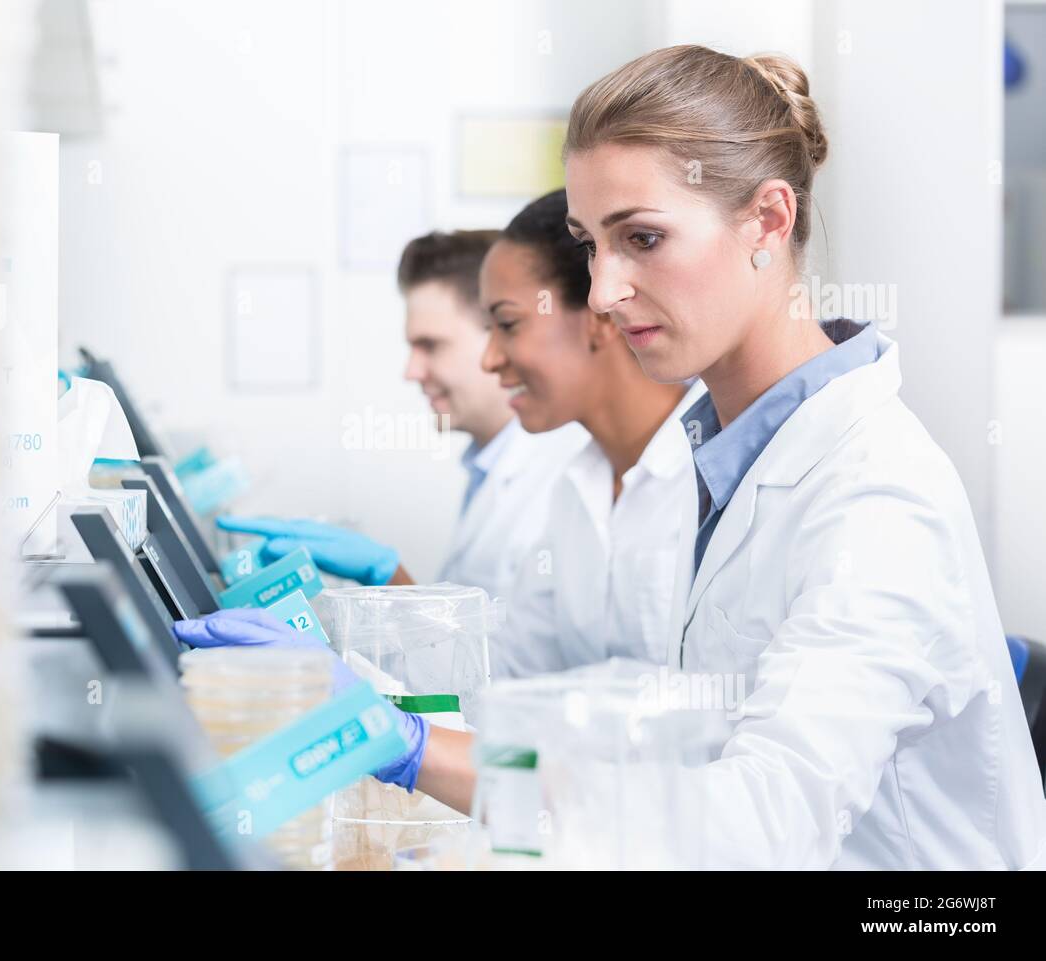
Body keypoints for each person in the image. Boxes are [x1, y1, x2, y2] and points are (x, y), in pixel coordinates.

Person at [178, 45, 1046, 870]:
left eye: (643, 238)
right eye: (592, 243)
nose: (601, 291)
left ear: (768, 221)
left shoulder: (876, 497)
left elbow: (758, 827)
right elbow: (643, 744)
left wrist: (404, 744)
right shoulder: (728, 455)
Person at [218, 230, 587, 597]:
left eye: (430, 345)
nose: (411, 371)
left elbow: (496, 652)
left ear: (500, 335)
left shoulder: (555, 480)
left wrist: (389, 575)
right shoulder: (489, 467)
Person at [478, 189, 705, 678]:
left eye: (508, 324)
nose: (489, 359)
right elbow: (508, 675)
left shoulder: (712, 474)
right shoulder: (575, 491)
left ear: (600, 317)